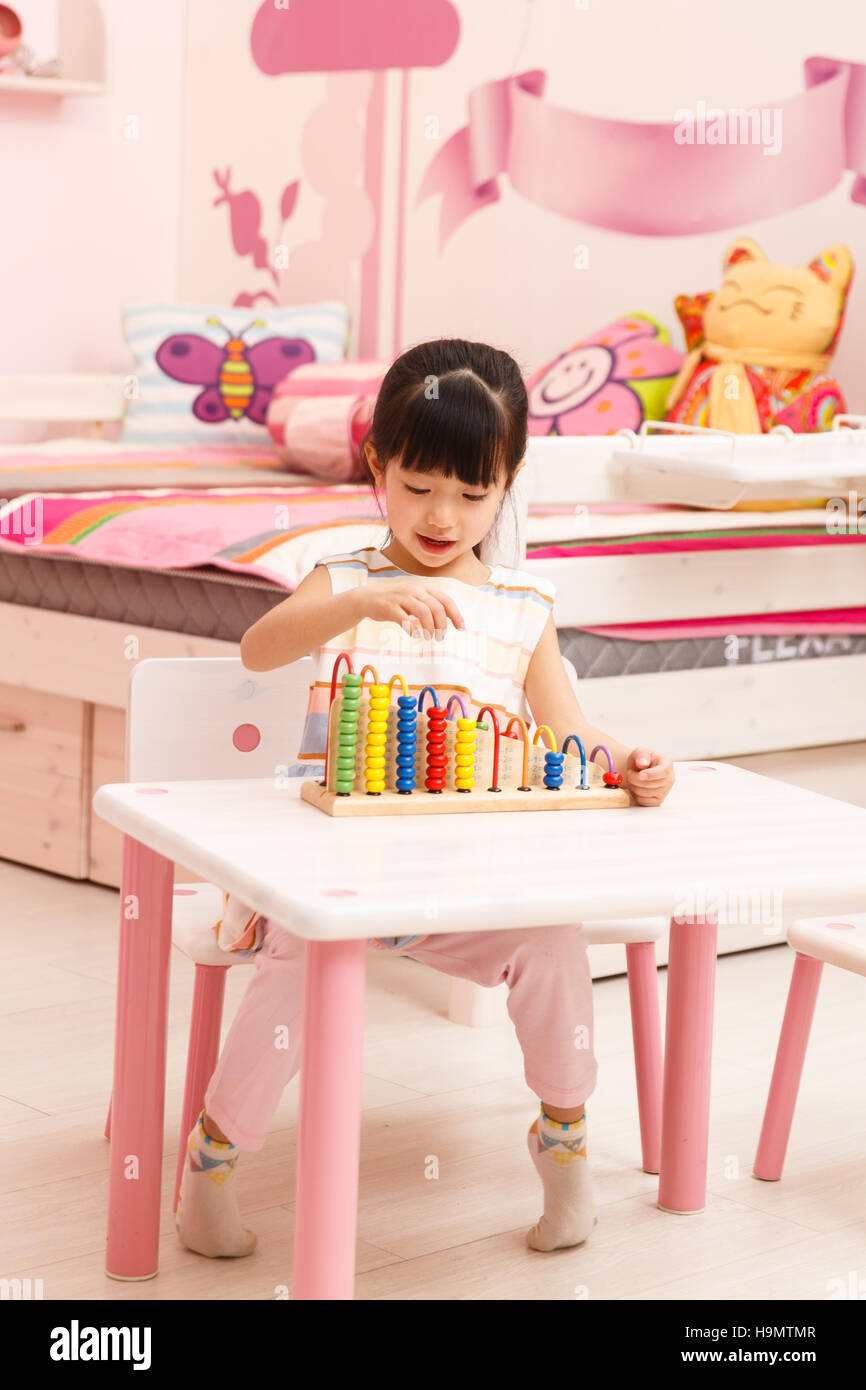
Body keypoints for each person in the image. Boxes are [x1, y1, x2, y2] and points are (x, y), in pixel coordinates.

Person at [175, 337, 675, 1262]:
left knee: (557, 943)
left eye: (472, 492)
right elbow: (259, 649)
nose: (442, 515)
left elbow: (568, 731)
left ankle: (563, 1144)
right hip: (337, 881)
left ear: (509, 481)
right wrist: (365, 603)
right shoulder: (350, 577)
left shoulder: (525, 602)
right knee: (292, 968)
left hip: (465, 886)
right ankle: (210, 1165)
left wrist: (626, 761)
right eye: (417, 486)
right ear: (378, 465)